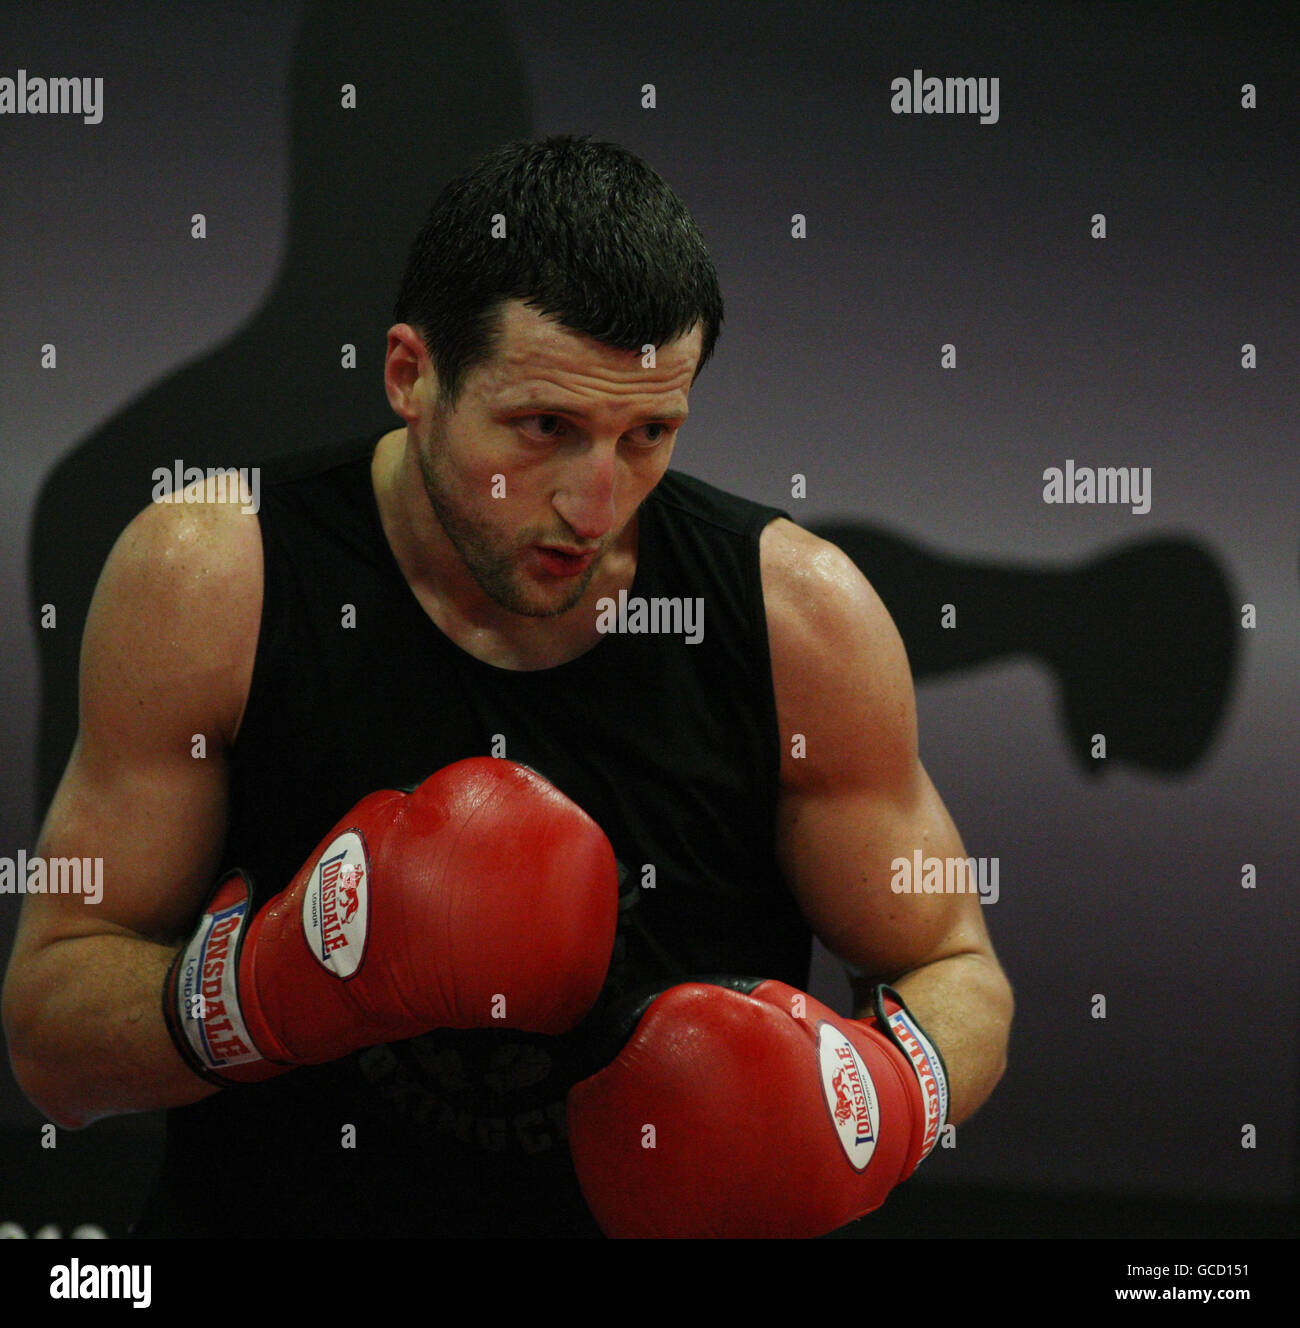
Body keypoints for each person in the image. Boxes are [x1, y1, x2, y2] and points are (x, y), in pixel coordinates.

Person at [3, 135, 1013, 1238]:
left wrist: (881, 1091)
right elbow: (53, 1046)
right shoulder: (213, 581)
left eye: (648, 435)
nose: (594, 502)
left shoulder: (797, 619)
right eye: (545, 428)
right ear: (411, 375)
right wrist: (273, 986)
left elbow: (953, 967)